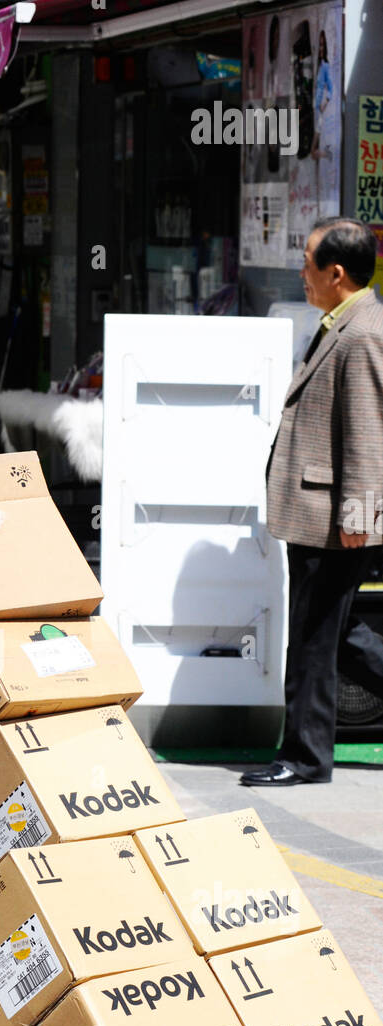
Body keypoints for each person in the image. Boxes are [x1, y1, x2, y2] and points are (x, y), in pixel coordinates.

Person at [241, 218, 383, 788]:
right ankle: (304, 752)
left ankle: (303, 757)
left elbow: (367, 432)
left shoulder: (362, 332)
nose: (302, 272)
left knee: (314, 637)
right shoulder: (341, 322)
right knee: (337, 634)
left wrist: (358, 514)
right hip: (317, 513)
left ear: (336, 273)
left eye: (307, 262)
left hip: (333, 519)